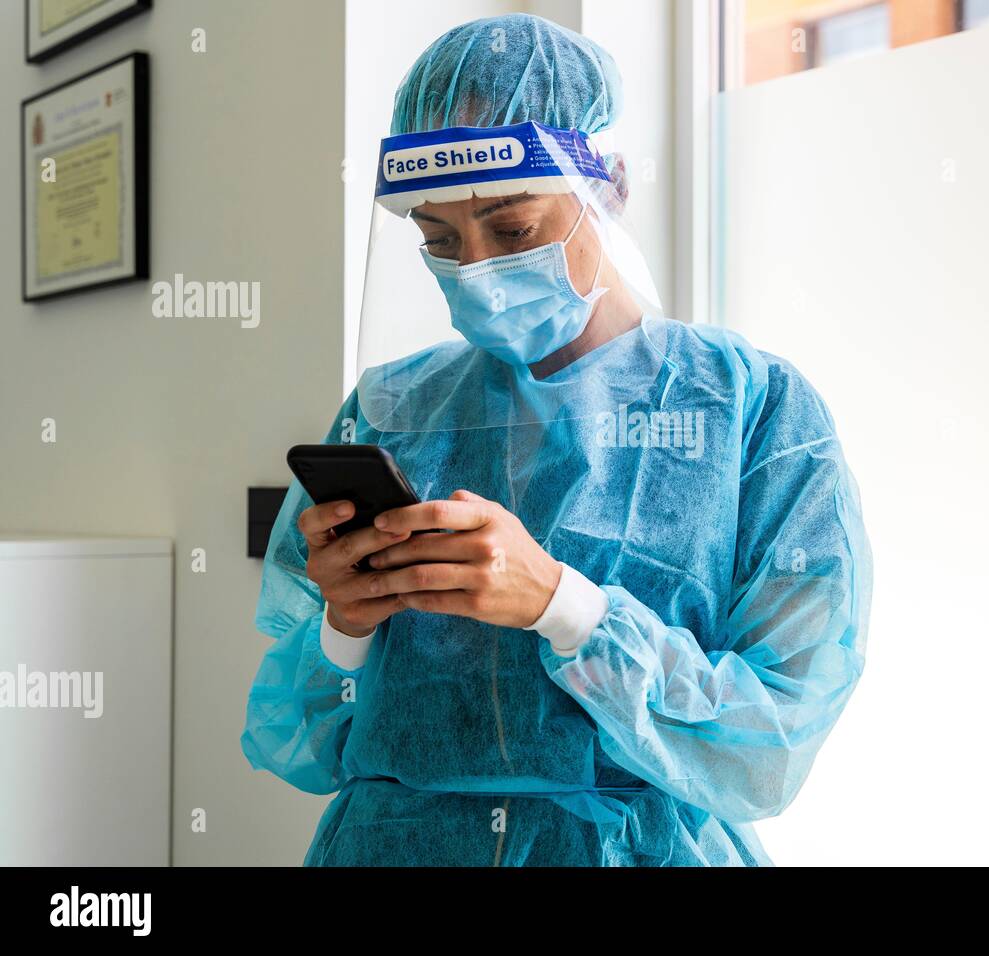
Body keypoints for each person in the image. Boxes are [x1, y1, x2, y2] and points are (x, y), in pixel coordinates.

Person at [241, 12, 872, 866]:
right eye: (438, 238)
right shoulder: (392, 407)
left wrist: (562, 606)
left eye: (513, 230)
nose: (476, 269)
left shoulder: (751, 410)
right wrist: (346, 625)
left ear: (608, 185)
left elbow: (772, 742)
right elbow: (303, 743)